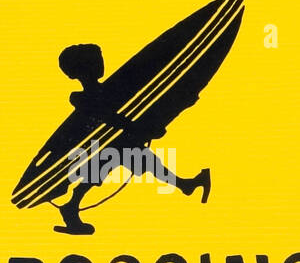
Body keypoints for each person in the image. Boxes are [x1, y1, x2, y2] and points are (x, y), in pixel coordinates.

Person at [53, 43, 210, 235]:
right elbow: (112, 118)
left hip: (118, 143)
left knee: (148, 163)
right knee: (114, 169)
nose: (102, 63)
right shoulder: (80, 97)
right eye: (96, 60)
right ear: (84, 68)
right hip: (104, 145)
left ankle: (186, 185)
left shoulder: (112, 88)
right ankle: (70, 207)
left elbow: (131, 109)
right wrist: (143, 129)